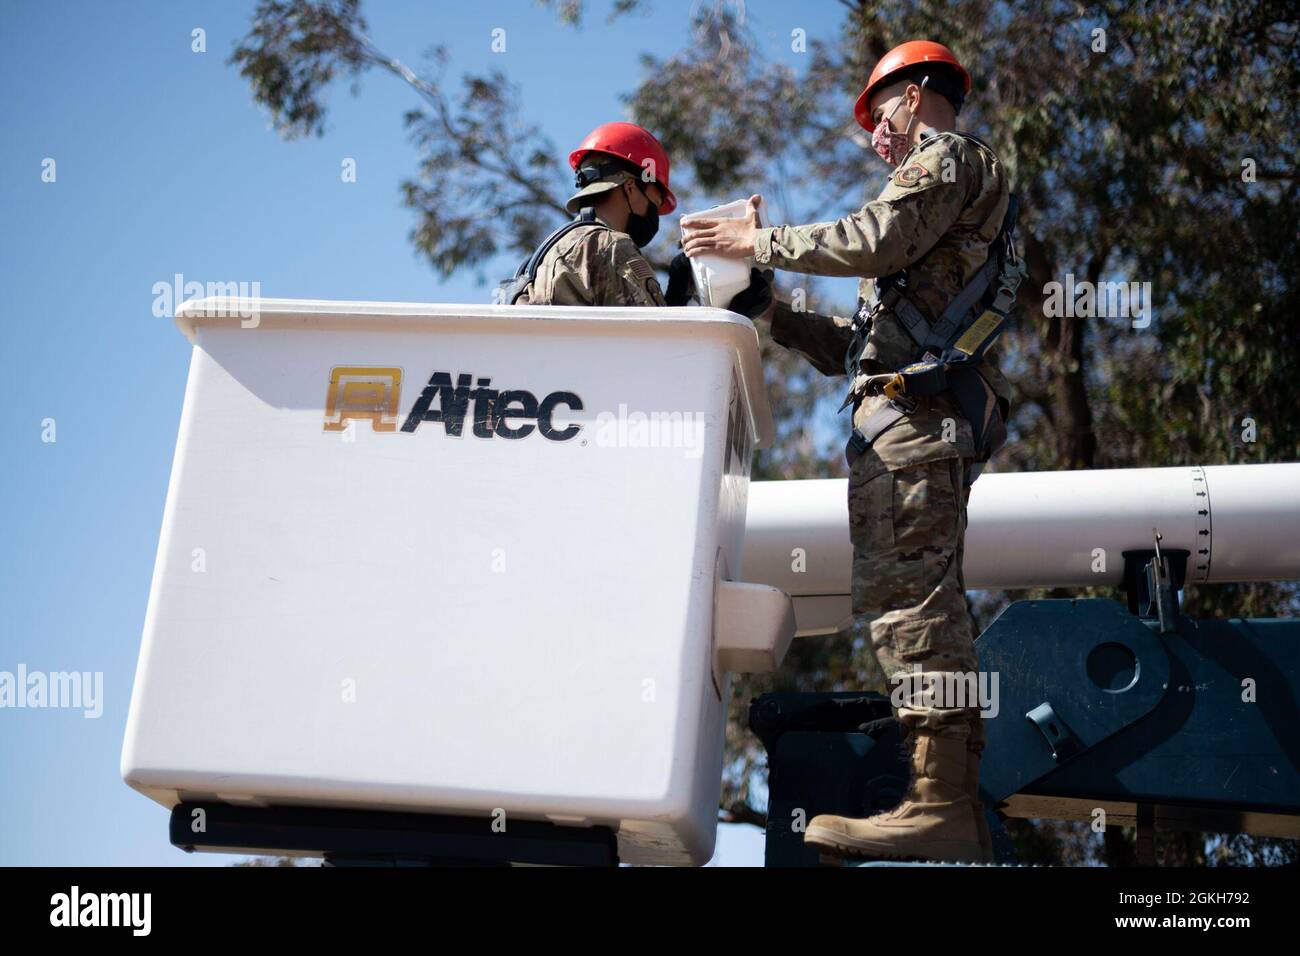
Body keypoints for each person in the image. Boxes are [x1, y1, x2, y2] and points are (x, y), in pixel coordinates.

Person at [681, 40, 1023, 863]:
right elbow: (859, 345)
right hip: (904, 419)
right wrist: (769, 307)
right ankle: (947, 799)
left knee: (914, 607)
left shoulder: (947, 160)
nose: (875, 136)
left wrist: (756, 242)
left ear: (918, 95)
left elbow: (870, 240)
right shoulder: (944, 189)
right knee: (918, 604)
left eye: (880, 114)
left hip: (915, 425)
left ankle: (940, 803)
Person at [502, 121, 693, 307]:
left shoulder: (548, 254)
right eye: (656, 201)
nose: (655, 214)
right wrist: (680, 288)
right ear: (631, 187)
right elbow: (657, 335)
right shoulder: (610, 247)